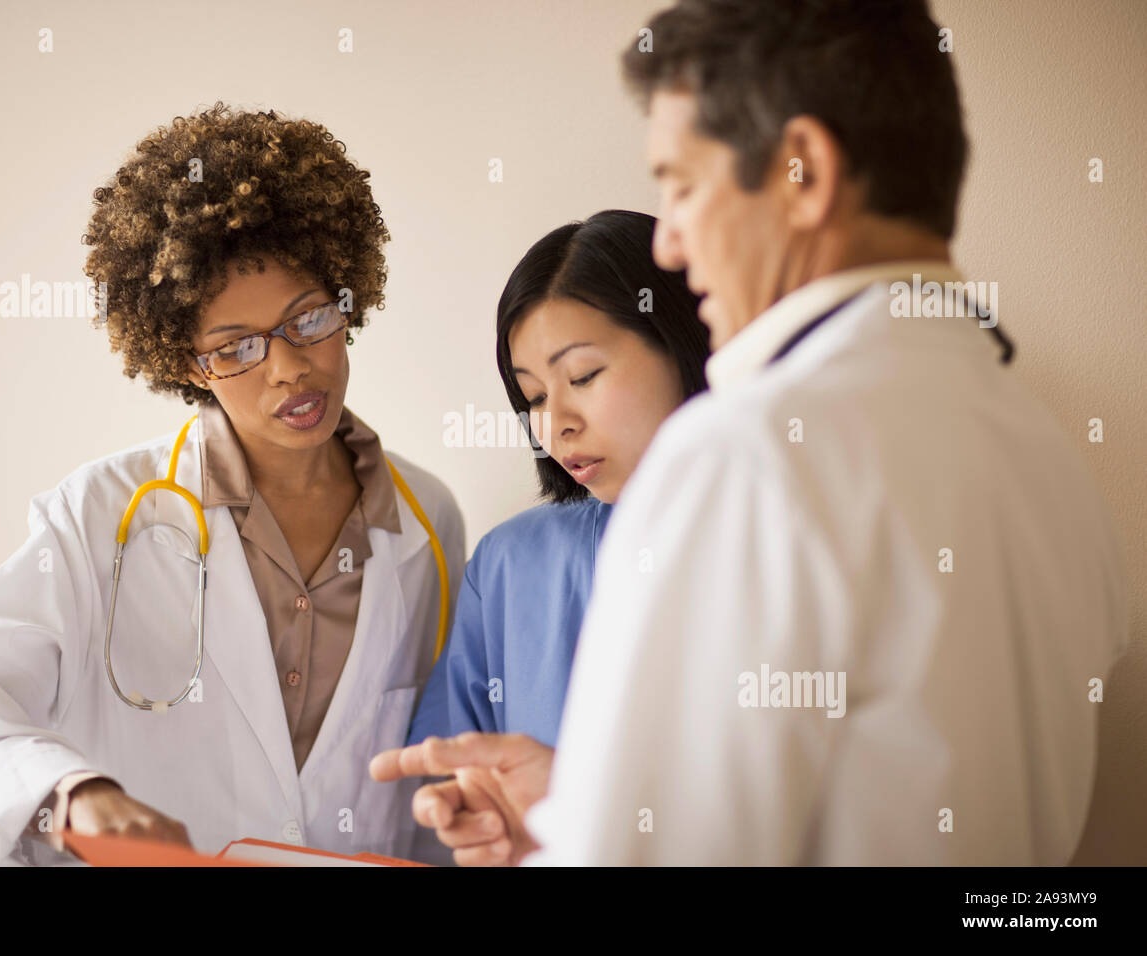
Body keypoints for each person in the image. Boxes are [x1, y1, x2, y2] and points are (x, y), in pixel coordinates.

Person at [372, 0, 1129, 866]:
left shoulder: (750, 453)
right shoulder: (1044, 451)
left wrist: (582, 840)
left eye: (683, 187)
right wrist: (583, 810)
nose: (673, 246)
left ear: (804, 170)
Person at [0, 102, 464, 865]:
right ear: (187, 364)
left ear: (347, 299)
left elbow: (432, 775)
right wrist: (75, 792)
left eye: (307, 319)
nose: (287, 367)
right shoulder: (98, 515)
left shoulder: (429, 522)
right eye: (236, 347)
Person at [407, 210, 707, 750]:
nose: (556, 423)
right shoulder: (507, 567)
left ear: (680, 341)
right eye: (534, 397)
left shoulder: (794, 541)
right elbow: (448, 777)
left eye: (583, 376)